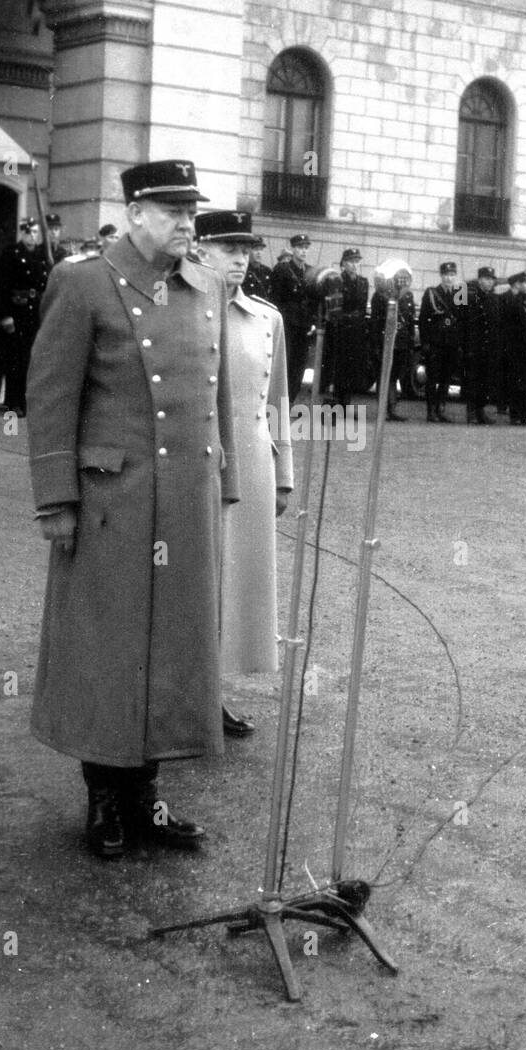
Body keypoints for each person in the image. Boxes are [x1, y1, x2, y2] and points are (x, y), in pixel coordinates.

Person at [26, 159, 239, 860]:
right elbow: (51, 396)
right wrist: (56, 497)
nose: (188, 224)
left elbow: (217, 397)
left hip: (183, 506)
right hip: (112, 505)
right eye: (174, 212)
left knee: (172, 652)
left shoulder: (203, 287)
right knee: (111, 653)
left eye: (192, 212)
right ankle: (104, 799)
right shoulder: (83, 283)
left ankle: (145, 797)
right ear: (136, 210)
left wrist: (225, 481)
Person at [195, 210, 294, 734]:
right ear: (198, 250)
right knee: (192, 579)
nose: (240, 259)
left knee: (237, 582)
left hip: (252, 461)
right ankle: (183, 695)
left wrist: (283, 473)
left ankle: (213, 694)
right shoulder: (182, 309)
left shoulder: (265, 317)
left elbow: (277, 398)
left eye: (246, 249)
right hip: (196, 459)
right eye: (228, 248)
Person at [0, 217, 50, 417]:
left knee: (33, 359)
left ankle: (27, 401)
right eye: (28, 232)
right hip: (18, 312)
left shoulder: (43, 255)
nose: (31, 236)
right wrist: (5, 316)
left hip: (37, 313)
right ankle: (14, 401)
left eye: (35, 232)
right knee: (16, 359)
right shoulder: (12, 253)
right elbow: (1, 287)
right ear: (22, 233)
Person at [270, 233, 314, 403]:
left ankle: (289, 403)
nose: (303, 251)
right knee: (284, 366)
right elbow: (275, 300)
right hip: (287, 325)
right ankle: (276, 404)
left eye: (306, 248)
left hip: (303, 326)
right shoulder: (282, 270)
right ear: (293, 249)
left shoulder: (310, 271)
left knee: (299, 368)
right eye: (300, 248)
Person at [325, 247, 370, 407]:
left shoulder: (363, 282)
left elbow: (363, 308)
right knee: (339, 367)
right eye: (351, 261)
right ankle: (335, 402)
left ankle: (346, 403)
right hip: (340, 329)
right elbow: (334, 307)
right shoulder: (336, 280)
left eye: (357, 261)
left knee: (352, 368)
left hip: (356, 330)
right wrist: (346, 318)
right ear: (343, 264)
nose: (354, 265)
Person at [370, 261, 415, 421]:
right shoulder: (380, 295)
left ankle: (392, 408)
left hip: (401, 341)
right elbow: (376, 322)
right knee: (384, 376)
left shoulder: (408, 295)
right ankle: (384, 409)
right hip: (385, 340)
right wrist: (376, 345)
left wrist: (410, 341)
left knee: (395, 376)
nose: (402, 281)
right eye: (399, 278)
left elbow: (409, 320)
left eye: (405, 278)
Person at [419, 261, 462, 423]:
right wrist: (425, 343)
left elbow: (462, 319)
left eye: (452, 275)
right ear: (441, 276)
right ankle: (430, 412)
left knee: (446, 379)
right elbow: (424, 319)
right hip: (436, 342)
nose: (449, 278)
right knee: (433, 378)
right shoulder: (432, 292)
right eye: (446, 275)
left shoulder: (460, 293)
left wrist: (460, 343)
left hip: (451, 343)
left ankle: (441, 409)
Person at [502, 270, 526, 426]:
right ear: (520, 284)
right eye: (525, 282)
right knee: (516, 384)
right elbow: (508, 326)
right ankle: (515, 414)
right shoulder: (513, 301)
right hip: (517, 348)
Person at [462, 266, 500, 425]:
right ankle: (471, 412)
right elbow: (461, 320)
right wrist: (465, 345)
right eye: (486, 279)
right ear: (479, 280)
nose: (489, 282)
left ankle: (480, 410)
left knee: (485, 381)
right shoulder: (467, 294)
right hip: (473, 346)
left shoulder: (494, 299)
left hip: (488, 347)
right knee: (472, 381)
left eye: (491, 279)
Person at [241, 236, 273, 302]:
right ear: (249, 251)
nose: (259, 253)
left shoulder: (267, 271)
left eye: (261, 249)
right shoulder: (243, 270)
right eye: (255, 249)